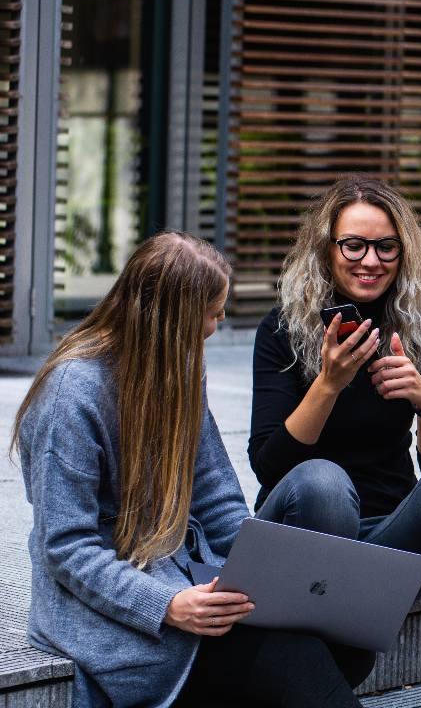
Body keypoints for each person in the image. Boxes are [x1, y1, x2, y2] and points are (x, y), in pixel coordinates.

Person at [14, 232, 373, 707]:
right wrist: (166, 605)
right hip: (115, 603)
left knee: (349, 643)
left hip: (186, 574)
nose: (218, 323)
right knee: (290, 657)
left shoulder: (179, 367)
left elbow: (217, 498)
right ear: (172, 317)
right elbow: (67, 547)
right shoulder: (72, 395)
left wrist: (256, 576)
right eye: (212, 311)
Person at [249, 175, 421, 707]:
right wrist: (328, 383)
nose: (371, 260)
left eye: (386, 246)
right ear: (327, 250)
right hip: (304, 535)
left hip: (387, 544)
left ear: (403, 251)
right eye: (354, 245)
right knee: (324, 480)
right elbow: (269, 467)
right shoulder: (282, 330)